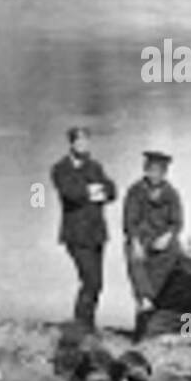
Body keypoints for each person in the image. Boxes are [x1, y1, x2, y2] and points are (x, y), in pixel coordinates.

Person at [50, 126, 118, 330]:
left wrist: (97, 191)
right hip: (76, 235)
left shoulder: (94, 166)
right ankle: (81, 325)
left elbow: (112, 190)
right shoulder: (60, 168)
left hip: (97, 234)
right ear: (71, 144)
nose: (83, 145)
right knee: (91, 281)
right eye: (79, 141)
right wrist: (92, 191)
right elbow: (70, 193)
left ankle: (88, 324)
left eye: (86, 141)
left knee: (97, 284)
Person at [122, 150, 183, 334]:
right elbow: (129, 221)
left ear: (164, 173)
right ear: (146, 171)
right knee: (136, 261)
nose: (154, 175)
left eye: (159, 171)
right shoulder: (136, 191)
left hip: (162, 242)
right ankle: (145, 301)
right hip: (142, 239)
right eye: (151, 170)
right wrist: (136, 241)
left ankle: (168, 319)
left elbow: (177, 221)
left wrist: (168, 235)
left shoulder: (171, 193)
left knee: (175, 257)